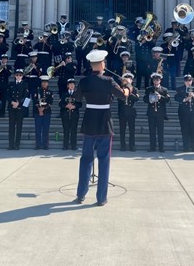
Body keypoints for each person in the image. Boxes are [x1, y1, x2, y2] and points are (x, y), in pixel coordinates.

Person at [74, 49, 130, 206]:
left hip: (89, 121)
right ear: (101, 64)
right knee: (104, 160)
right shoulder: (108, 80)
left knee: (85, 159)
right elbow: (123, 95)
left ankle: (81, 194)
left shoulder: (84, 81)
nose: (105, 64)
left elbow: (77, 98)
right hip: (104, 122)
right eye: (104, 62)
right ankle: (101, 198)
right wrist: (128, 86)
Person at [174, 74, 194, 152]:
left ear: (192, 81)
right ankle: (186, 147)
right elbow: (176, 97)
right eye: (186, 81)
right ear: (184, 81)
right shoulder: (180, 89)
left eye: (189, 80)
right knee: (184, 129)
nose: (188, 82)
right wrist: (184, 99)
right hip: (184, 112)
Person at [143, 72, 170, 153]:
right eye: (154, 80)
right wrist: (149, 98)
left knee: (160, 131)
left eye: (157, 80)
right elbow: (144, 99)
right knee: (152, 131)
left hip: (160, 113)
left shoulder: (164, 89)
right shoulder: (149, 89)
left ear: (160, 81)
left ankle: (161, 147)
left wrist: (160, 97)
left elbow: (167, 100)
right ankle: (152, 147)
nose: (156, 82)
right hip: (151, 112)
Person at [7, 69, 30, 150]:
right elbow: (7, 95)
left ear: (22, 76)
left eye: (20, 75)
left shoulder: (25, 84)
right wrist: (12, 102)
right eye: (17, 75)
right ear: (15, 76)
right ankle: (11, 145)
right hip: (12, 107)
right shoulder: (11, 84)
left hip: (20, 108)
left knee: (19, 127)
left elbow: (26, 96)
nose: (18, 76)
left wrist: (18, 103)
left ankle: (17, 145)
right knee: (11, 127)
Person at [118, 73, 139, 152]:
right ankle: (123, 145)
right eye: (125, 79)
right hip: (122, 111)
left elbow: (136, 99)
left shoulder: (135, 89)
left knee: (132, 130)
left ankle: (132, 146)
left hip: (131, 112)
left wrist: (129, 93)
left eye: (129, 79)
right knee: (122, 130)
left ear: (132, 80)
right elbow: (119, 99)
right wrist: (124, 93)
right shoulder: (121, 88)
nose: (127, 80)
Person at [59, 78, 82, 151]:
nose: (72, 86)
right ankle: (65, 145)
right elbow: (60, 103)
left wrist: (74, 106)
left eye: (73, 84)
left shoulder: (77, 94)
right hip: (65, 114)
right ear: (67, 85)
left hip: (74, 114)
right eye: (70, 84)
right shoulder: (63, 94)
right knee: (66, 130)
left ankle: (73, 145)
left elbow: (80, 104)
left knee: (73, 130)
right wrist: (66, 106)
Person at [33, 75, 53, 149]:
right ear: (41, 83)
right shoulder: (37, 91)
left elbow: (50, 102)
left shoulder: (50, 92)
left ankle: (45, 144)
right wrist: (39, 109)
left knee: (46, 129)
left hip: (47, 112)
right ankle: (38, 144)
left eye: (46, 82)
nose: (44, 84)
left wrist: (43, 108)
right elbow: (35, 100)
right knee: (38, 129)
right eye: (43, 82)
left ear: (48, 83)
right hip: (37, 112)